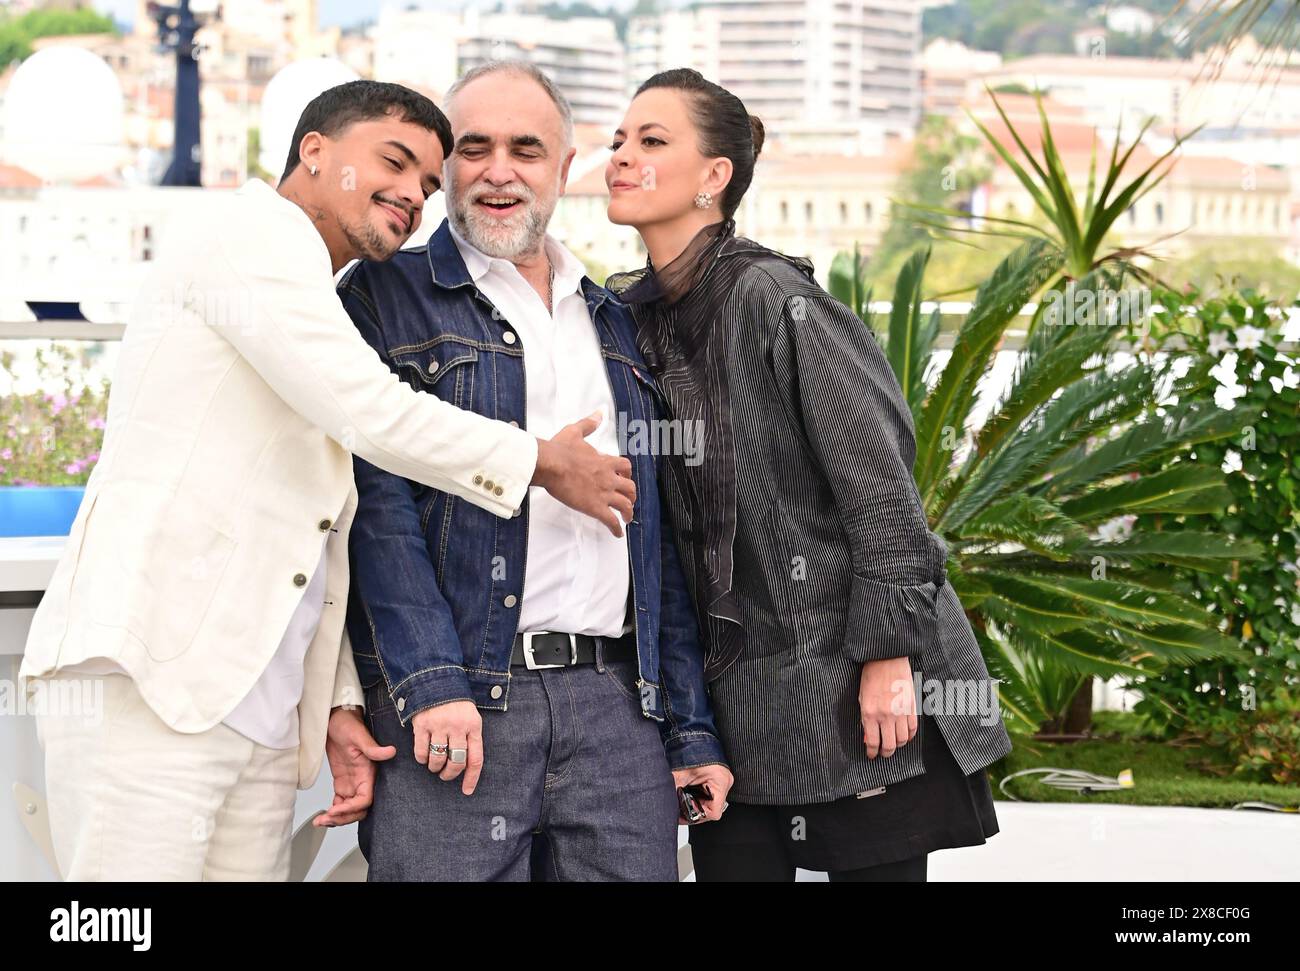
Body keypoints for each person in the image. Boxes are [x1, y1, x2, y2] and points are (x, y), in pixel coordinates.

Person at [20, 80, 635, 881]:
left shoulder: (323, 300)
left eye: (424, 181)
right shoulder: (248, 236)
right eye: (394, 160)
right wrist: (543, 462)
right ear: (314, 150)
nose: (413, 193)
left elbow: (327, 535)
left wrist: (338, 701)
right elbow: (372, 410)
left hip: (263, 717)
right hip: (152, 687)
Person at [604, 69, 1013, 882]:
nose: (621, 156)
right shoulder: (629, 317)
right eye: (618, 139)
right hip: (735, 702)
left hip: (854, 677)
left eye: (652, 141)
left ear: (714, 177)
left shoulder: (774, 297)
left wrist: (890, 659)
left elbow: (883, 487)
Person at [338, 61, 732, 882]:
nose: (497, 171)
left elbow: (657, 541)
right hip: (461, 706)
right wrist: (430, 681)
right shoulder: (382, 298)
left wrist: (689, 727)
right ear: (444, 167)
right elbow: (379, 514)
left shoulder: (618, 316)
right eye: (473, 148)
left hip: (618, 709)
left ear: (564, 167)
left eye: (526, 148)